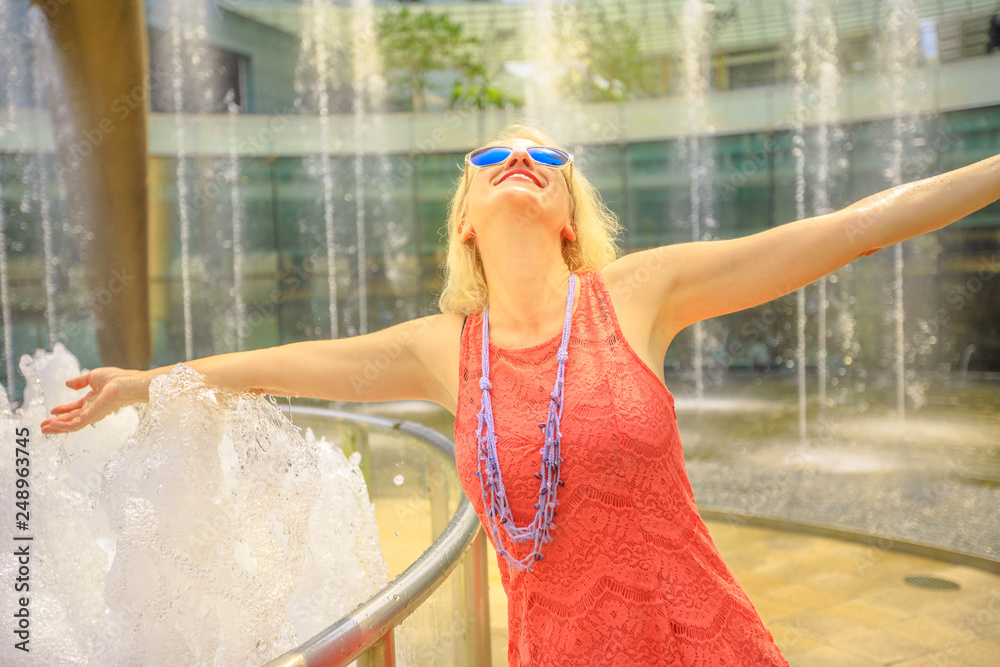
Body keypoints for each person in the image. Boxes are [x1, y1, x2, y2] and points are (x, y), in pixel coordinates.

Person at [41, 124, 1000, 665]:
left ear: (570, 218)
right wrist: (149, 383)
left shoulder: (636, 295)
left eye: (546, 160)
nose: (520, 163)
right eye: (493, 157)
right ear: (464, 223)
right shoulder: (441, 349)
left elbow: (846, 232)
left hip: (696, 638)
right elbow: (292, 361)